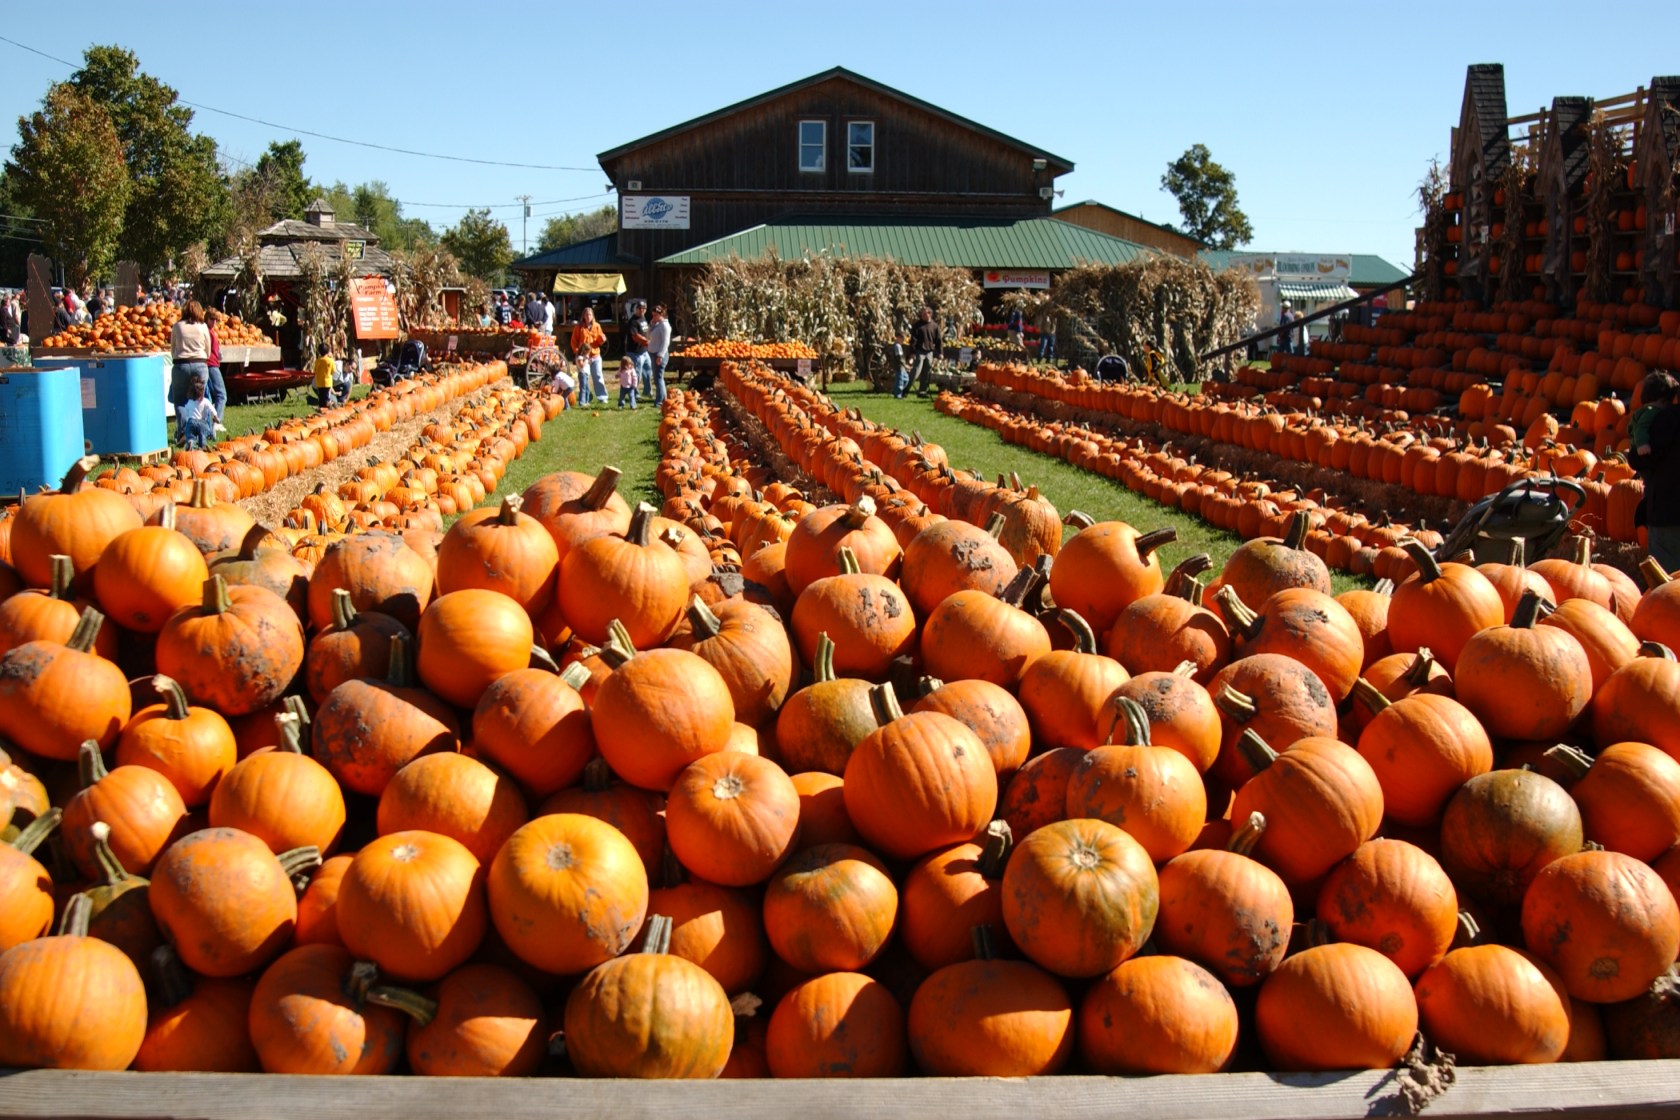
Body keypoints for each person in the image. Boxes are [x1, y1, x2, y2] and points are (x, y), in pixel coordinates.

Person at [1630, 371, 1680, 570]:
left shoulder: (1663, 420)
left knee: (1667, 590)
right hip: (1666, 512)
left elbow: (1637, 459)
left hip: (1666, 513)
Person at [169, 300, 213, 422]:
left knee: (180, 400)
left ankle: (183, 430)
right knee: (201, 399)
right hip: (200, 363)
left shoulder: (177, 326)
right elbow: (208, 351)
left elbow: (173, 349)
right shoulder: (203, 327)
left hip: (181, 364)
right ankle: (203, 428)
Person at [570, 307, 608, 405]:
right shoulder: (578, 327)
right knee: (584, 379)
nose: (588, 316)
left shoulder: (597, 326)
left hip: (595, 355)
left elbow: (599, 341)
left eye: (590, 315)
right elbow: (573, 342)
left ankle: (602, 397)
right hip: (583, 357)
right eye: (586, 315)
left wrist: (602, 339)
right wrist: (577, 352)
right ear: (583, 316)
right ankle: (587, 397)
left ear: (593, 316)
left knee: (598, 376)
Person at [175, 376, 216, 450]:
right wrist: (215, 416)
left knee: (190, 435)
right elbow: (212, 409)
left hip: (191, 422)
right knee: (202, 435)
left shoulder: (189, 402)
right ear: (203, 393)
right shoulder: (205, 401)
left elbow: (186, 412)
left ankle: (190, 442)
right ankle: (202, 446)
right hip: (202, 422)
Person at [204, 310, 227, 431]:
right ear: (207, 319)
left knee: (211, 394)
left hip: (213, 362)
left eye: (216, 320)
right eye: (212, 319)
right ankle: (217, 421)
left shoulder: (211, 332)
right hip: (211, 364)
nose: (214, 322)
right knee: (221, 394)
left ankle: (211, 421)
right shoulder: (207, 332)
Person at [909, 306, 941, 395]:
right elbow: (913, 340)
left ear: (929, 314)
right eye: (922, 314)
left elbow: (938, 340)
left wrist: (940, 352)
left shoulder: (935, 326)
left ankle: (923, 391)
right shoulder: (917, 325)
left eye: (924, 314)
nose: (922, 315)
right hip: (920, 351)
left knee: (926, 373)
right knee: (916, 372)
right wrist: (912, 352)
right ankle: (905, 390)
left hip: (929, 352)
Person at [623, 299, 652, 396]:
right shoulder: (633, 321)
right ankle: (635, 393)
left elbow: (646, 331)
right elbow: (635, 336)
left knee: (648, 372)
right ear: (636, 309)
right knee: (636, 374)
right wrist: (647, 342)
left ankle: (647, 391)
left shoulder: (644, 319)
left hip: (644, 352)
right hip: (635, 353)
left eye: (644, 308)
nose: (642, 310)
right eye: (640, 308)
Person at [647, 304, 672, 406]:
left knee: (658, 378)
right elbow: (648, 336)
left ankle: (659, 401)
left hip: (659, 354)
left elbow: (666, 342)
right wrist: (651, 325)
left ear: (661, 315)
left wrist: (660, 355)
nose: (653, 317)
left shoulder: (665, 326)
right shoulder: (657, 325)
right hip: (653, 353)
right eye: (652, 315)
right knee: (657, 378)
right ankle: (664, 399)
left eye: (655, 315)